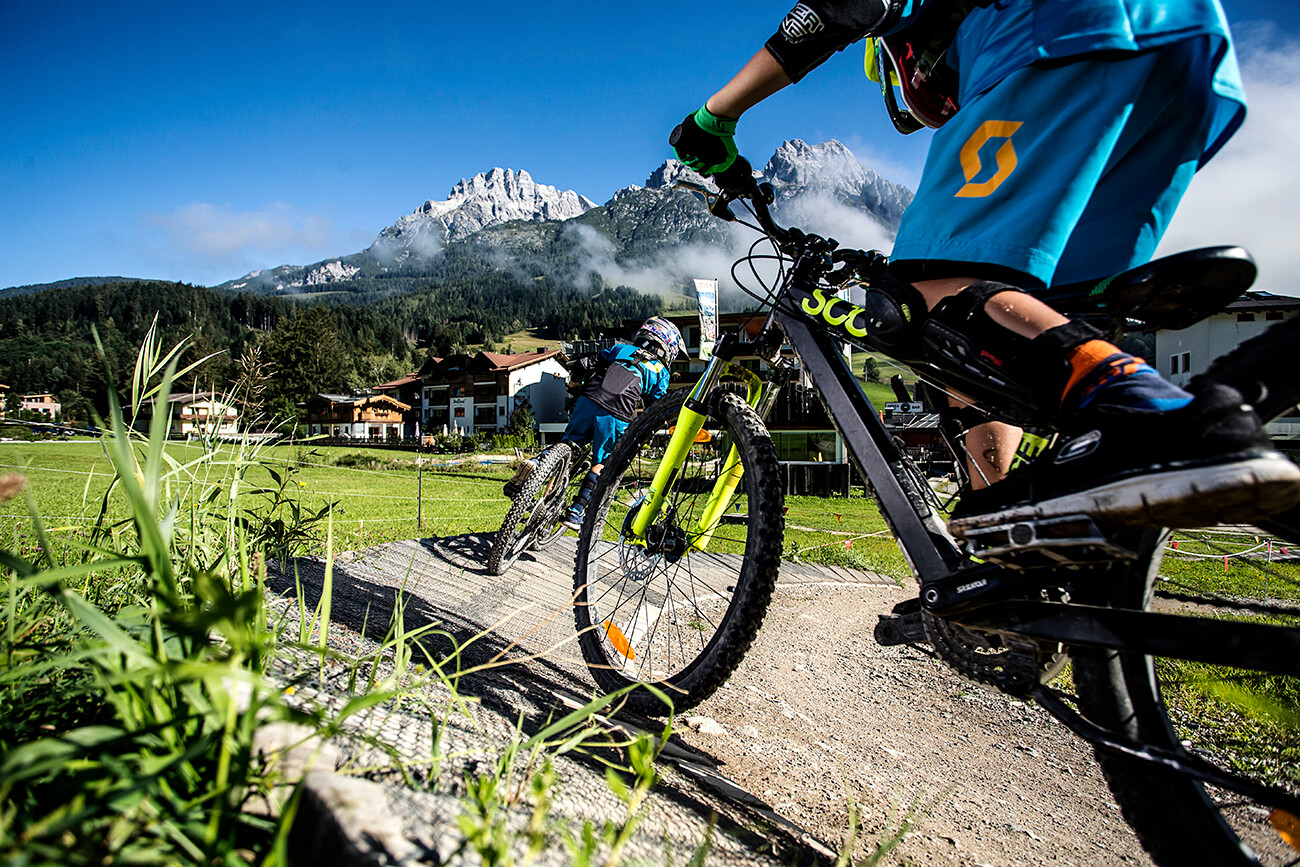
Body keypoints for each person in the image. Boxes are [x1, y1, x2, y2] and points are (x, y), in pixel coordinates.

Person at [669, 0, 1300, 533]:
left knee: (913, 297)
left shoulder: (950, 30)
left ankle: (1164, 421)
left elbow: (847, 6)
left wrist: (716, 114)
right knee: (1009, 318)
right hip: (1184, 63)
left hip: (1055, 33)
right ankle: (995, 525)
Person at [504, 316, 679, 529]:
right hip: (617, 412)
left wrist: (574, 387)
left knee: (569, 443)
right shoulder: (661, 371)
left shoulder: (621, 349)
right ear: (667, 348)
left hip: (587, 399)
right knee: (602, 462)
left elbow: (582, 364)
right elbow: (656, 409)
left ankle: (538, 463)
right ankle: (576, 511)